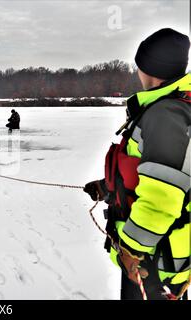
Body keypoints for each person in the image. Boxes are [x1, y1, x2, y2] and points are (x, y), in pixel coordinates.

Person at [84, 28, 190, 300]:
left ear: (150, 70)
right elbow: (154, 174)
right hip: (158, 259)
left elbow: (161, 200)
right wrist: (107, 188)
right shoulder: (168, 109)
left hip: (151, 265)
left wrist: (131, 251)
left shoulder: (167, 116)